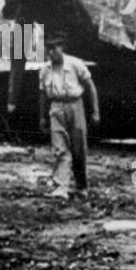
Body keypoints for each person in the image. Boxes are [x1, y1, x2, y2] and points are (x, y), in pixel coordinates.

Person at [39, 31, 100, 199]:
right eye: (47, 49)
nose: (50, 52)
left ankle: (82, 187)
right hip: (56, 108)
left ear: (62, 48)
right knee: (60, 149)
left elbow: (90, 87)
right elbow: (43, 95)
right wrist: (43, 117)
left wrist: (95, 111)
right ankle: (61, 187)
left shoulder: (75, 64)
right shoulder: (44, 70)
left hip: (75, 106)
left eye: (53, 48)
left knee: (79, 148)